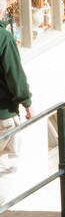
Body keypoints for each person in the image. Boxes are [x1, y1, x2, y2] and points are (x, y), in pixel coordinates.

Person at [0, 19, 32, 175]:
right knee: (6, 166)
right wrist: (27, 103)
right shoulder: (4, 37)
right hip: (4, 115)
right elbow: (15, 76)